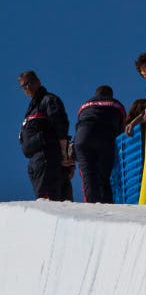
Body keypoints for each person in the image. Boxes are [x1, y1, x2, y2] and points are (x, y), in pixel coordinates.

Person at [18, 71, 73, 201]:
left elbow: (60, 125)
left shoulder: (48, 100)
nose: (27, 88)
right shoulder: (32, 108)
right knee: (47, 199)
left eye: (29, 83)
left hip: (47, 158)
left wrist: (65, 155)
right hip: (36, 161)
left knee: (48, 201)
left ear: (38, 81)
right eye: (23, 86)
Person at [74, 85, 126, 203]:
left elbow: (79, 123)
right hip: (105, 137)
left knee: (88, 175)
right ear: (110, 95)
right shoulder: (117, 104)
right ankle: (105, 206)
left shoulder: (84, 105)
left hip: (82, 138)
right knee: (103, 175)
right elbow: (122, 130)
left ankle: (91, 206)